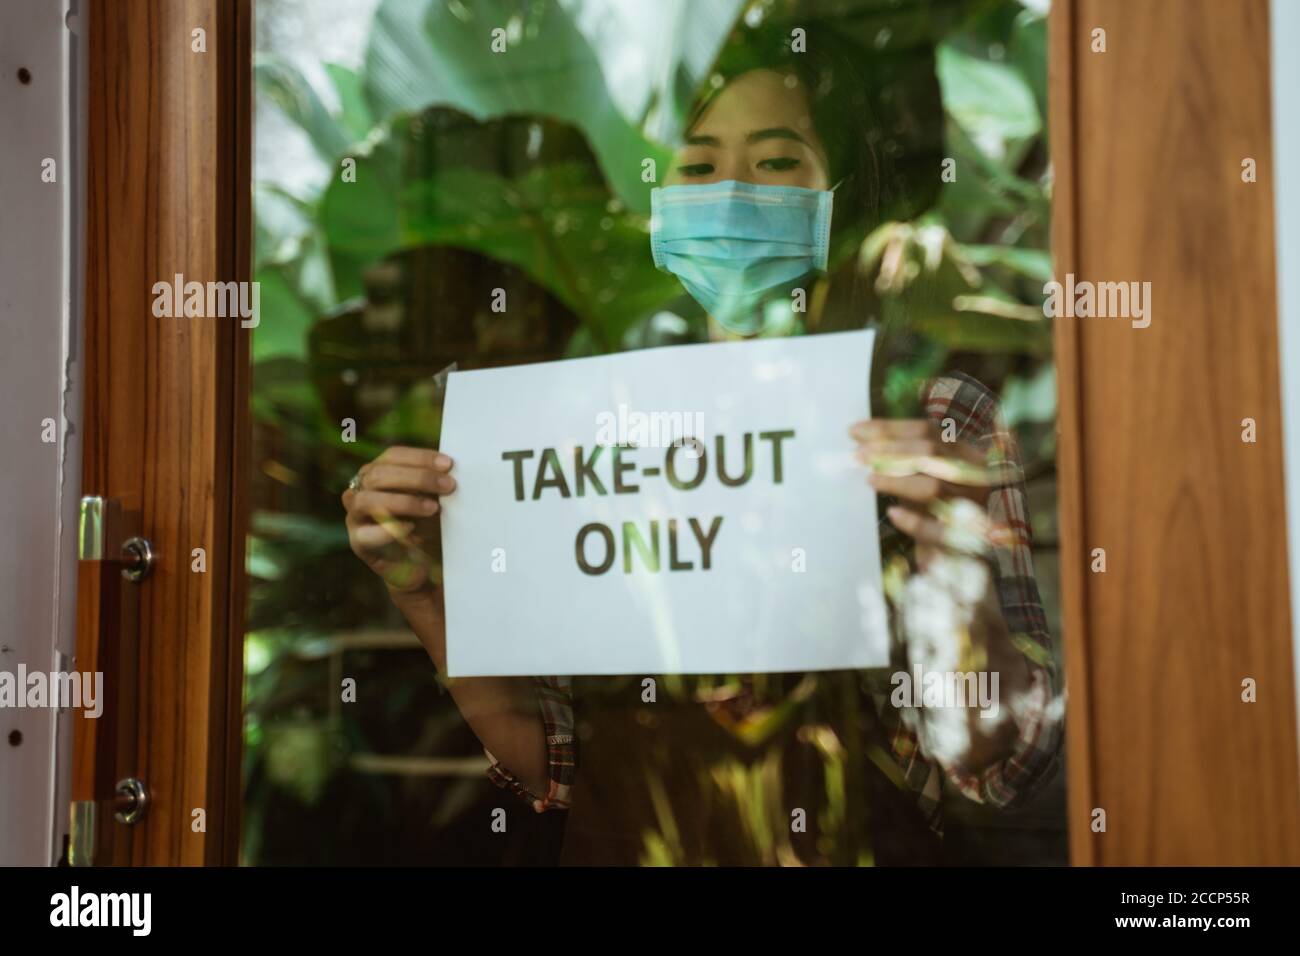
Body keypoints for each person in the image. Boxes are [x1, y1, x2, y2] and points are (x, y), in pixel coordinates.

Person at [341, 24, 1061, 864]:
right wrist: (426, 592)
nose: (729, 192)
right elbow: (550, 768)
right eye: (696, 165)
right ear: (658, 201)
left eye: (778, 161)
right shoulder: (585, 428)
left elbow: (995, 766)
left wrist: (957, 570)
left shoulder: (934, 420)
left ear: (846, 195)